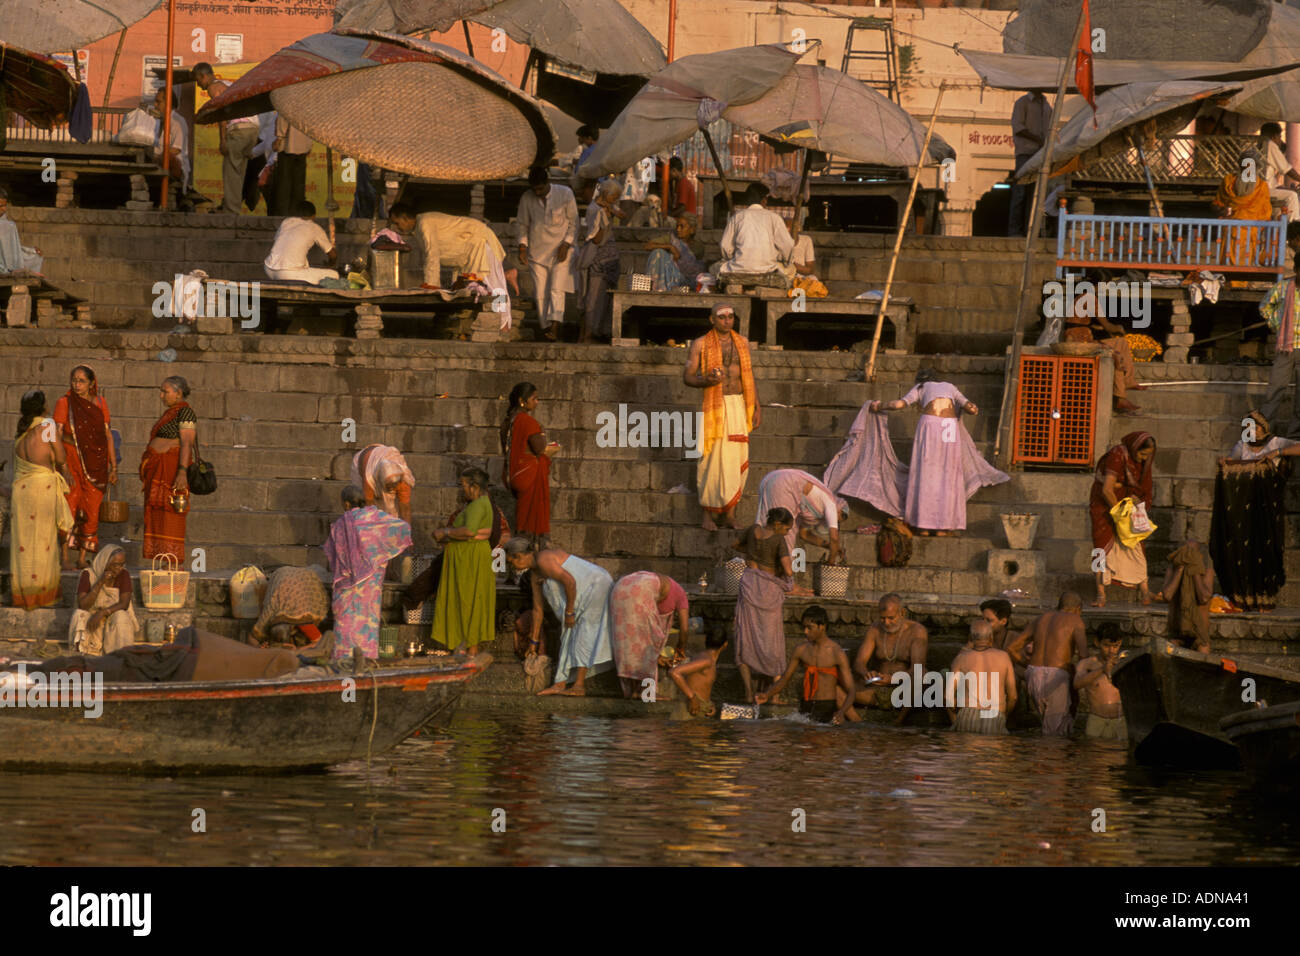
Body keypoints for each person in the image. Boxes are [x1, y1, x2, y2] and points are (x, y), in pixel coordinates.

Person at [867, 369, 1010, 534]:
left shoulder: (922, 387)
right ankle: (943, 527)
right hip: (950, 428)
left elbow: (899, 404)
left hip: (931, 426)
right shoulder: (950, 387)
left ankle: (924, 525)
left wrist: (880, 405)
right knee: (947, 474)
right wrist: (973, 409)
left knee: (927, 473)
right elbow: (970, 407)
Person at [1210, 411, 1300, 611]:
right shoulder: (1242, 445)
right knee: (1243, 551)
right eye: (1248, 427)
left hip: (1268, 510)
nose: (1252, 431)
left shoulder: (1276, 442)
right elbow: (1232, 464)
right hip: (1243, 511)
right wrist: (1224, 462)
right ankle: (1242, 597)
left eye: (1256, 427)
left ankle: (1264, 599)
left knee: (1266, 549)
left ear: (1264, 427)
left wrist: (1276, 454)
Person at [504, 537, 614, 696]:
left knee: (584, 631)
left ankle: (579, 686)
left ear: (520, 556)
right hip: (581, 594)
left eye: (511, 562)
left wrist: (569, 612)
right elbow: (537, 609)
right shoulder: (535, 574)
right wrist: (533, 643)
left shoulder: (544, 559)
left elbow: (570, 582)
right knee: (568, 633)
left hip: (596, 585)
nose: (512, 567)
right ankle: (560, 684)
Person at [683, 305, 759, 531]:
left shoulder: (743, 343)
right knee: (711, 460)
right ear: (712, 320)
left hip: (738, 404)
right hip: (714, 408)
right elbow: (687, 376)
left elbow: (749, 376)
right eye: (722, 317)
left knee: (736, 460)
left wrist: (757, 406)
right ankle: (708, 515)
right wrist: (706, 380)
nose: (727, 321)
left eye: (730, 317)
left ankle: (730, 515)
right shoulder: (700, 344)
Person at [324, 484, 412, 660]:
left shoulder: (342, 523)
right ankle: (368, 658)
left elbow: (331, 552)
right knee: (368, 620)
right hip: (371, 584)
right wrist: (379, 555)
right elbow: (403, 528)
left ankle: (344, 660)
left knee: (346, 622)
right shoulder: (377, 517)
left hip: (347, 584)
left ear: (347, 504)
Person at [731, 507, 807, 703]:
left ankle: (748, 693)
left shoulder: (753, 529)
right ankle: (774, 696)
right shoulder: (778, 539)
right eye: (787, 528)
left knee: (745, 639)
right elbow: (788, 571)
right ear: (778, 524)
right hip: (768, 590)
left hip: (748, 584)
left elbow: (735, 545)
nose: (788, 532)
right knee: (772, 641)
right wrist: (790, 582)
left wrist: (751, 557)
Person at [9, 390, 73, 609]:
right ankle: (43, 597)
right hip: (41, 490)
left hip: (21, 493)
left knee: (23, 545)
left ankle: (24, 596)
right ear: (43, 407)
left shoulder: (21, 433)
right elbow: (61, 457)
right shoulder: (47, 426)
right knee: (43, 543)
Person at [53, 364, 115, 569]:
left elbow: (107, 435)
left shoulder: (100, 402)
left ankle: (81, 558)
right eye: (74, 380)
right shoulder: (65, 402)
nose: (77, 384)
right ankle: (64, 558)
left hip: (96, 463)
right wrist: (63, 467)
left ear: (91, 384)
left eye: (81, 381)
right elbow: (57, 434)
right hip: (70, 459)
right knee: (69, 505)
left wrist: (113, 466)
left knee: (91, 509)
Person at [430, 467, 497, 656]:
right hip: (471, 555)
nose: (462, 489)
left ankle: (465, 648)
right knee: (470, 600)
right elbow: (484, 532)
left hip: (469, 558)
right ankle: (469, 649)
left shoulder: (477, 504)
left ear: (474, 486)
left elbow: (469, 531)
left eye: (464, 485)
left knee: (464, 600)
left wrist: (445, 532)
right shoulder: (484, 502)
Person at [386, 203, 509, 305]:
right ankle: (506, 277)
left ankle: (504, 325)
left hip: (480, 243)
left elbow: (432, 254)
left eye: (397, 223)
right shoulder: (418, 228)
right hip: (467, 255)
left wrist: (431, 284)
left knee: (494, 288)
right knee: (470, 290)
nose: (397, 227)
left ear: (405, 218)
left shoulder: (425, 222)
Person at [1005, 592, 1087, 737]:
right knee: (1053, 736)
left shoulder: (1041, 618)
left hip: (1033, 673)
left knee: (1047, 727)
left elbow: (1012, 648)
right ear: (1078, 609)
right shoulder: (1076, 620)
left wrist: (1028, 664)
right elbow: (1083, 656)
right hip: (1057, 676)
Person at [755, 605, 854, 725]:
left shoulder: (836, 652)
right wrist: (767, 694)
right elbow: (785, 678)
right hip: (805, 706)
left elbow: (851, 690)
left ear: (822, 626)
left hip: (826, 708)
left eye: (809, 628)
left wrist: (841, 712)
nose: (805, 632)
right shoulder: (800, 650)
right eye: (804, 627)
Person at [1090, 431, 1156, 606]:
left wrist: (1132, 503)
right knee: (1100, 549)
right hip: (1104, 506)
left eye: (1147, 456)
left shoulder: (1142, 461)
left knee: (1137, 546)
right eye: (1142, 454)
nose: (1143, 459)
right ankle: (1100, 595)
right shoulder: (1118, 455)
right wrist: (1121, 514)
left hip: (1127, 505)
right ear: (1134, 448)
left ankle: (1145, 593)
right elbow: (1106, 490)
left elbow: (1140, 487)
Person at [1062, 284, 1144, 414]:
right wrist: (1119, 328)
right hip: (1080, 342)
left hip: (1082, 337)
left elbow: (1083, 322)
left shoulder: (1079, 298)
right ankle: (1120, 397)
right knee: (1115, 354)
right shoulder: (1089, 298)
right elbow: (1107, 326)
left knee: (1121, 343)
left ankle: (1128, 381)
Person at [140, 376, 197, 561]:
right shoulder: (169, 413)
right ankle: (161, 561)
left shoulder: (185, 413)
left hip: (172, 470)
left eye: (165, 391)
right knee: (157, 515)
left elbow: (187, 443)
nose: (161, 395)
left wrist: (182, 471)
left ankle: (170, 562)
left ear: (178, 393)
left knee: (171, 514)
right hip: (158, 469)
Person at [517, 167, 577, 341]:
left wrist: (566, 244)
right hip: (537, 252)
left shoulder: (565, 194)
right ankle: (546, 329)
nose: (538, 192)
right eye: (534, 189)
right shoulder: (527, 198)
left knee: (557, 288)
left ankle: (555, 325)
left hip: (561, 250)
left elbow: (574, 223)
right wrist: (522, 247)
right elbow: (522, 224)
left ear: (547, 183)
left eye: (540, 189)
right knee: (540, 293)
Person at [608, 570, 690, 698]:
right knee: (648, 644)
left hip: (620, 586)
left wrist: (658, 656)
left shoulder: (666, 588)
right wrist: (681, 649)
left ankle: (635, 690)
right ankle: (646, 693)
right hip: (641, 588)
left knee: (629, 643)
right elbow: (684, 629)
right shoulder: (681, 595)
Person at [849, 593, 928, 724]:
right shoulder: (874, 629)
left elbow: (917, 668)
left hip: (904, 692)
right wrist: (866, 673)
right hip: (875, 691)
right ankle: (858, 722)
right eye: (882, 618)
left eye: (891, 618)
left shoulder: (917, 631)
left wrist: (892, 679)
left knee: (922, 676)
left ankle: (899, 720)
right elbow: (859, 662)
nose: (886, 623)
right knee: (836, 684)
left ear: (902, 613)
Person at [193, 62, 259, 215]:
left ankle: (231, 212)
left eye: (198, 80)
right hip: (252, 129)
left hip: (238, 130)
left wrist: (222, 140)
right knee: (239, 172)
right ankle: (234, 208)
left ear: (204, 76)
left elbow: (222, 114)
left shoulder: (213, 87)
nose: (198, 85)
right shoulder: (227, 84)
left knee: (231, 174)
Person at [1254, 223, 1300, 437]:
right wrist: (1277, 324)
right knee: (1276, 388)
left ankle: (1295, 435)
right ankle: (1263, 427)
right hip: (1286, 347)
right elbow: (1265, 306)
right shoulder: (1284, 287)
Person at [500, 382, 557, 542]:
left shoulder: (506, 422)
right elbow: (540, 449)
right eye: (534, 398)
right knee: (529, 519)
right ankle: (527, 547)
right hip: (528, 475)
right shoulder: (529, 422)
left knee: (524, 513)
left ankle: (524, 543)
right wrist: (543, 434)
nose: (537, 402)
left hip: (512, 474)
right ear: (522, 401)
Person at [752, 468, 846, 563]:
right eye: (838, 520)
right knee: (783, 530)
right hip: (785, 484)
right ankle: (782, 572)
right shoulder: (832, 505)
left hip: (771, 478)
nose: (835, 522)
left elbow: (804, 534)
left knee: (767, 523)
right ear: (840, 511)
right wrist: (831, 562)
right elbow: (834, 538)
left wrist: (828, 545)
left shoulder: (816, 509)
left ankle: (765, 566)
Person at [948, 620, 1016, 735]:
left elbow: (947, 697)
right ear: (991, 637)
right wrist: (1003, 716)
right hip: (995, 715)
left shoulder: (961, 658)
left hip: (967, 715)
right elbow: (1013, 697)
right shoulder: (1004, 657)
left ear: (970, 637)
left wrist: (957, 715)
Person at [69, 544, 139, 655]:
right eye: (115, 565)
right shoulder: (88, 574)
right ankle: (85, 654)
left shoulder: (124, 574)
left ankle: (120, 657)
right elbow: (83, 605)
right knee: (79, 615)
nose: (119, 569)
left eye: (122, 565)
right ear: (104, 561)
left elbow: (124, 603)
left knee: (122, 616)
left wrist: (103, 613)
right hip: (92, 620)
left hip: (112, 620)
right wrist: (100, 581)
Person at [577, 178, 624, 343]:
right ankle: (588, 335)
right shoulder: (595, 210)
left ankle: (591, 334)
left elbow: (623, 215)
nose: (616, 200)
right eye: (614, 197)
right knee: (593, 299)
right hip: (598, 261)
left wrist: (611, 210)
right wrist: (604, 219)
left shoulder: (606, 207)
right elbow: (596, 238)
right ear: (605, 193)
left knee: (602, 299)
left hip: (608, 262)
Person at [716, 182, 795, 279]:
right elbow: (788, 246)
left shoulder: (736, 217)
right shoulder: (775, 218)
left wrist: (732, 259)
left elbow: (725, 246)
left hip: (738, 270)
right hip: (768, 271)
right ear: (764, 200)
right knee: (792, 269)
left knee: (714, 267)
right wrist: (786, 261)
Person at [1214, 148, 1274, 273]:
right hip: (1230, 231)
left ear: (1256, 168)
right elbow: (1215, 205)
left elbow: (1265, 214)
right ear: (1240, 166)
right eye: (1245, 165)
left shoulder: (1262, 187)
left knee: (1243, 269)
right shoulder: (1228, 182)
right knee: (1227, 268)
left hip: (1250, 234)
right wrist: (1222, 210)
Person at [250, 565, 330, 648]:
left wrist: (299, 650)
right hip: (280, 577)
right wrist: (259, 647)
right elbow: (252, 638)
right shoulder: (267, 617)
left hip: (304, 579)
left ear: (292, 628)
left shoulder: (303, 620)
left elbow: (319, 642)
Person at [1008, 90, 1051, 236]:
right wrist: (1038, 140)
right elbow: (1019, 128)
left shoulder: (1047, 105)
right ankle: (1014, 231)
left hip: (1040, 154)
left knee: (1035, 194)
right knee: (1020, 193)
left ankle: (1030, 231)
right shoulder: (1022, 102)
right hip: (1025, 152)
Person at [263, 200, 338, 284]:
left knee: (305, 265)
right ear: (314, 216)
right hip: (288, 274)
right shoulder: (314, 227)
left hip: (269, 268)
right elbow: (333, 255)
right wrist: (330, 264)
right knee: (334, 275)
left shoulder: (287, 221)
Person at [1074, 623, 1127, 740]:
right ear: (1097, 643)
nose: (1111, 651)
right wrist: (1102, 669)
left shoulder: (1125, 663)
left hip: (1120, 721)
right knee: (1095, 755)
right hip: (1097, 720)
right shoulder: (1087, 664)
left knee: (1119, 755)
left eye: (1116, 646)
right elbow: (1076, 684)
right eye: (1107, 646)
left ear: (1121, 643)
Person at [1160, 540, 1214, 652]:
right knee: (1169, 649)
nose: (1187, 557)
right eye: (1184, 553)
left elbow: (1203, 598)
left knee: (1203, 648)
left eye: (1191, 554)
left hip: (1199, 633)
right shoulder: (1172, 570)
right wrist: (1180, 569)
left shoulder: (1207, 572)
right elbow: (1167, 595)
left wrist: (1195, 570)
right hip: (1177, 632)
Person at [669, 628, 729, 718]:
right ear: (725, 645)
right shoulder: (706, 661)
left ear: (705, 640)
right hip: (691, 710)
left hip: (700, 707)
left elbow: (700, 685)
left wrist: (709, 704)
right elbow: (674, 672)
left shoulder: (705, 658)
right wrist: (692, 698)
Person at [350, 443, 414, 525]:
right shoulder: (369, 478)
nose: (392, 489)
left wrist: (406, 533)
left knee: (392, 512)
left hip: (380, 457)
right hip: (361, 463)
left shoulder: (404, 480)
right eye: (389, 486)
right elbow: (369, 507)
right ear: (381, 480)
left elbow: (405, 510)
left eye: (394, 486)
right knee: (363, 511)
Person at [643, 213, 705, 292]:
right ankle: (657, 289)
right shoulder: (672, 239)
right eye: (677, 226)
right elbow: (647, 246)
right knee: (658, 253)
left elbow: (691, 268)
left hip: (686, 280)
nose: (678, 229)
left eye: (682, 226)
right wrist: (670, 247)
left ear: (692, 230)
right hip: (669, 276)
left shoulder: (698, 246)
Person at [152, 87, 190, 207]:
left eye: (158, 102)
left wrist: (157, 158)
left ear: (168, 103)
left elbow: (176, 149)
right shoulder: (158, 121)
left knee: (166, 157)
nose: (155, 105)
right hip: (159, 160)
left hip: (175, 165)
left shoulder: (178, 121)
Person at [270, 116, 312, 217]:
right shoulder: (309, 103)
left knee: (284, 184)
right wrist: (310, 144)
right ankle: (297, 215)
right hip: (303, 146)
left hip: (288, 145)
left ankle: (282, 216)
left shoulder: (289, 100)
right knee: (299, 184)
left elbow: (283, 116)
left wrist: (279, 138)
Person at [1258, 122, 1300, 221]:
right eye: (1279, 137)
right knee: (1292, 196)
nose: (1280, 140)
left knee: (1283, 199)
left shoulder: (1256, 145)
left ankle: (1277, 231)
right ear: (1274, 136)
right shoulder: (1270, 145)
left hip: (1261, 187)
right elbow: (1288, 170)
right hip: (1263, 189)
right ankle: (1294, 231)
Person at [0, 187, 43, 274]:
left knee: (35, 256)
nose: (4, 209)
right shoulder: (8, 226)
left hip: (8, 265)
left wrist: (31, 251)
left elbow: (12, 250)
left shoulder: (8, 224)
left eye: (5, 205)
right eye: (0, 206)